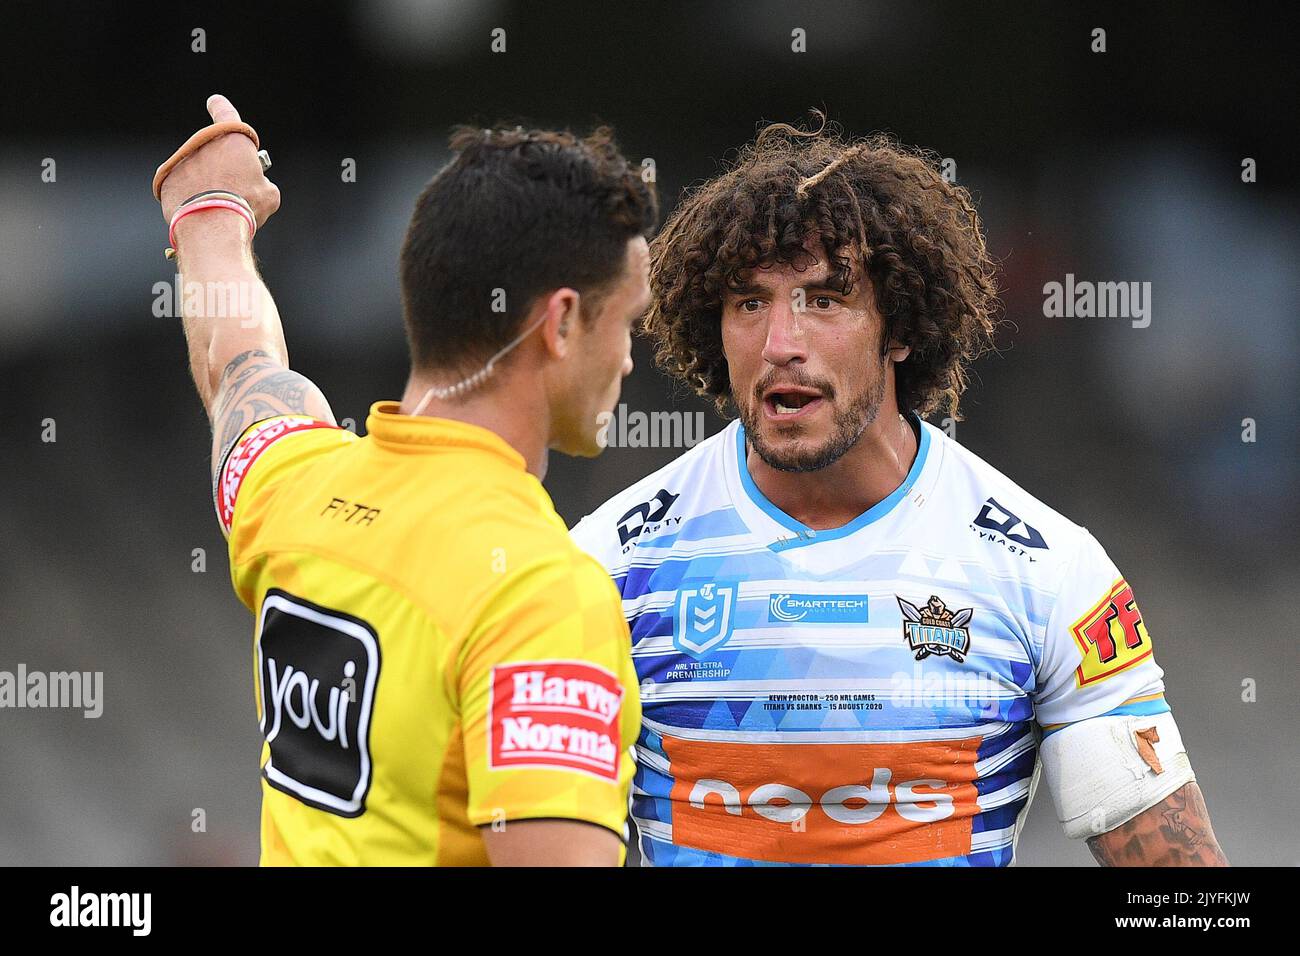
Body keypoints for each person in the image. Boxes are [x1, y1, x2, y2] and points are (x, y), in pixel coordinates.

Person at [570, 118, 1227, 866]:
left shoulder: (1048, 572)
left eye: (824, 300)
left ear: (901, 328)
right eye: (750, 303)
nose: (782, 340)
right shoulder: (607, 564)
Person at [155, 94, 656, 865]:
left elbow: (240, 372)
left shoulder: (292, 488)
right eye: (625, 322)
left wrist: (209, 214)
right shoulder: (540, 593)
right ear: (559, 324)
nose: (629, 358)